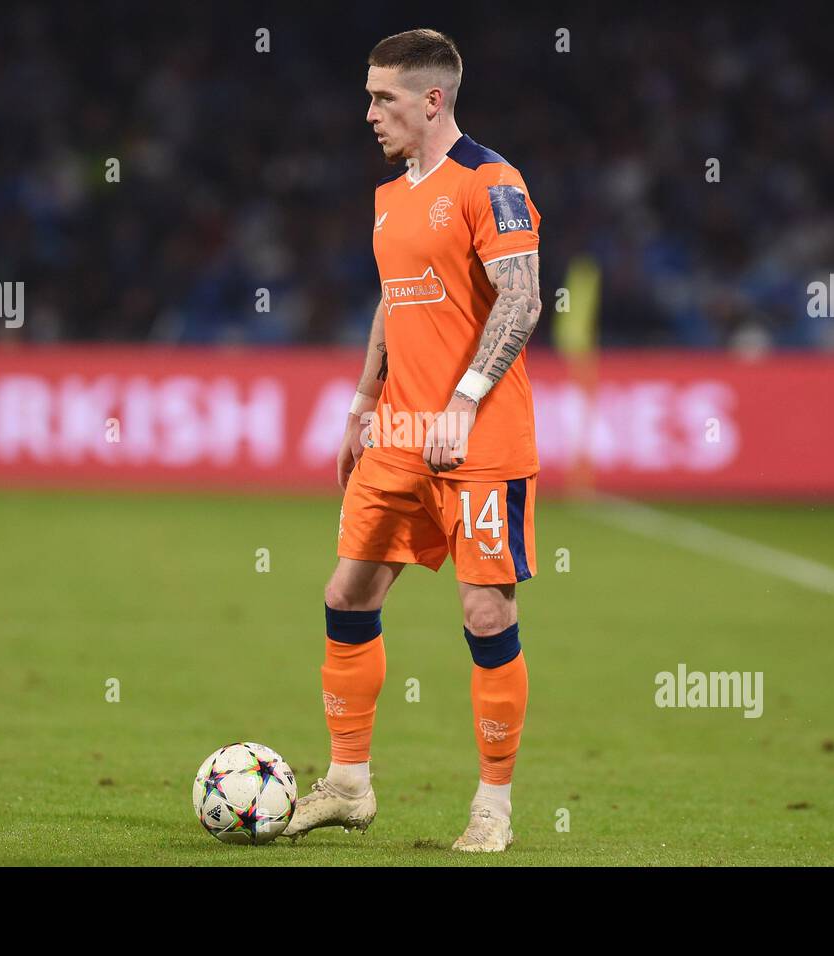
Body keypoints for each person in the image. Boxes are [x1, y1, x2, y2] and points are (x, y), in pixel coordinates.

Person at [283, 28, 543, 852]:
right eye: (368, 96)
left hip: (481, 437)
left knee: (484, 608)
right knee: (346, 596)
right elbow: (395, 301)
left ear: (432, 100)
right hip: (397, 432)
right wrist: (363, 403)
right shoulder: (391, 194)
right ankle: (349, 785)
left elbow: (523, 300)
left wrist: (463, 400)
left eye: (383, 98)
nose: (369, 113)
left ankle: (493, 805)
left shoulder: (491, 182)